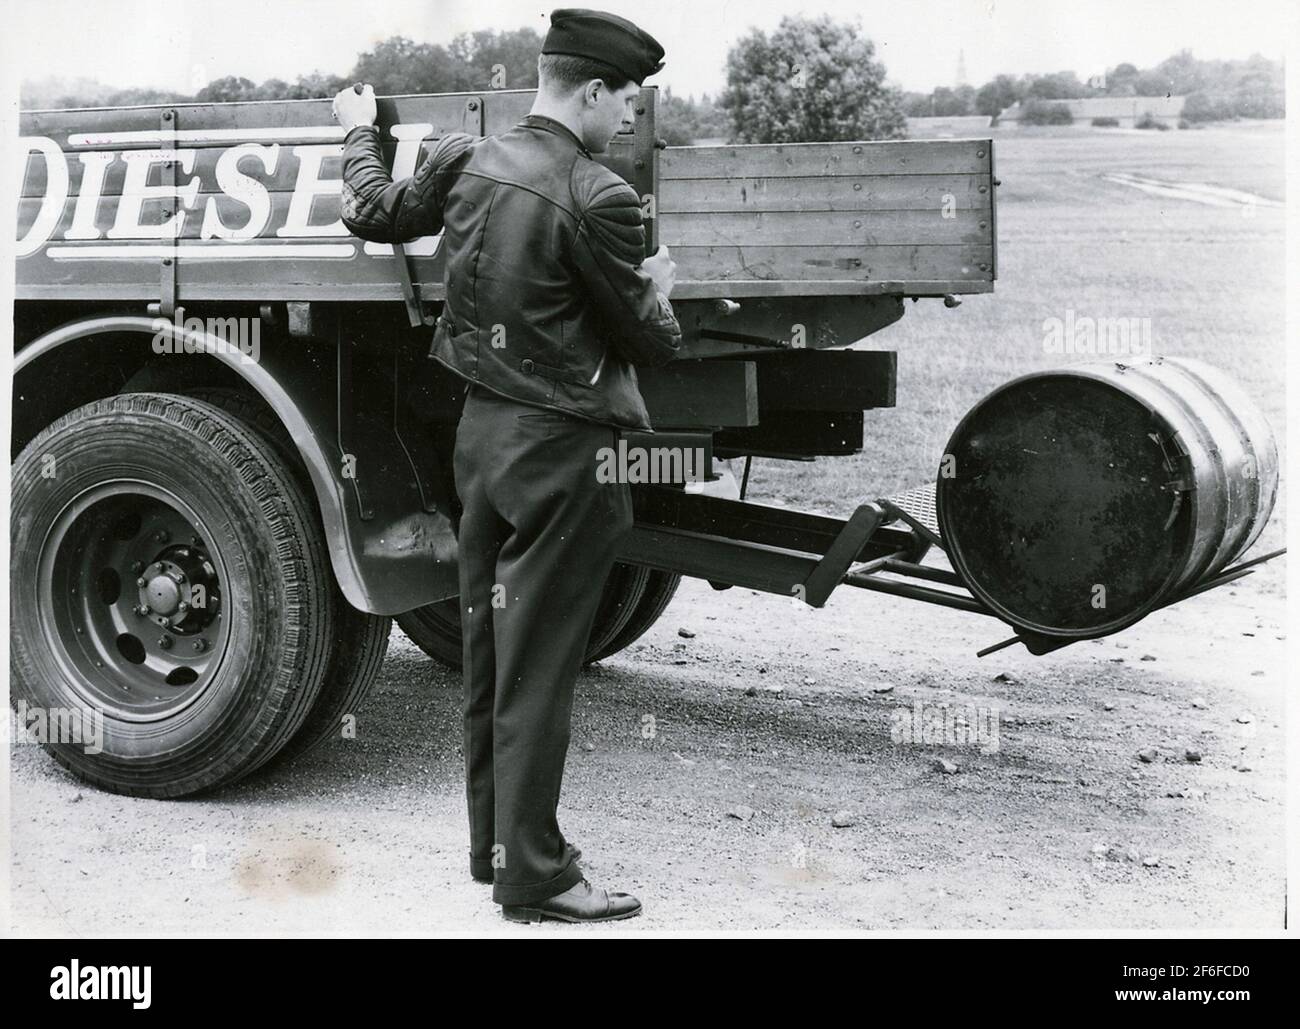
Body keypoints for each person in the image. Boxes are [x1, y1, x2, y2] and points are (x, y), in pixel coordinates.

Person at [334, 8, 681, 923]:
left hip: (481, 443)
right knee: (537, 668)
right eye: (628, 102)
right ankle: (537, 874)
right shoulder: (600, 196)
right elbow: (651, 338)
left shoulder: (463, 160)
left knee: (493, 659)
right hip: (565, 456)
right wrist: (664, 289)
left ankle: (497, 851)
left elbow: (371, 210)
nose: (628, 121)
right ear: (593, 91)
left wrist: (357, 134)